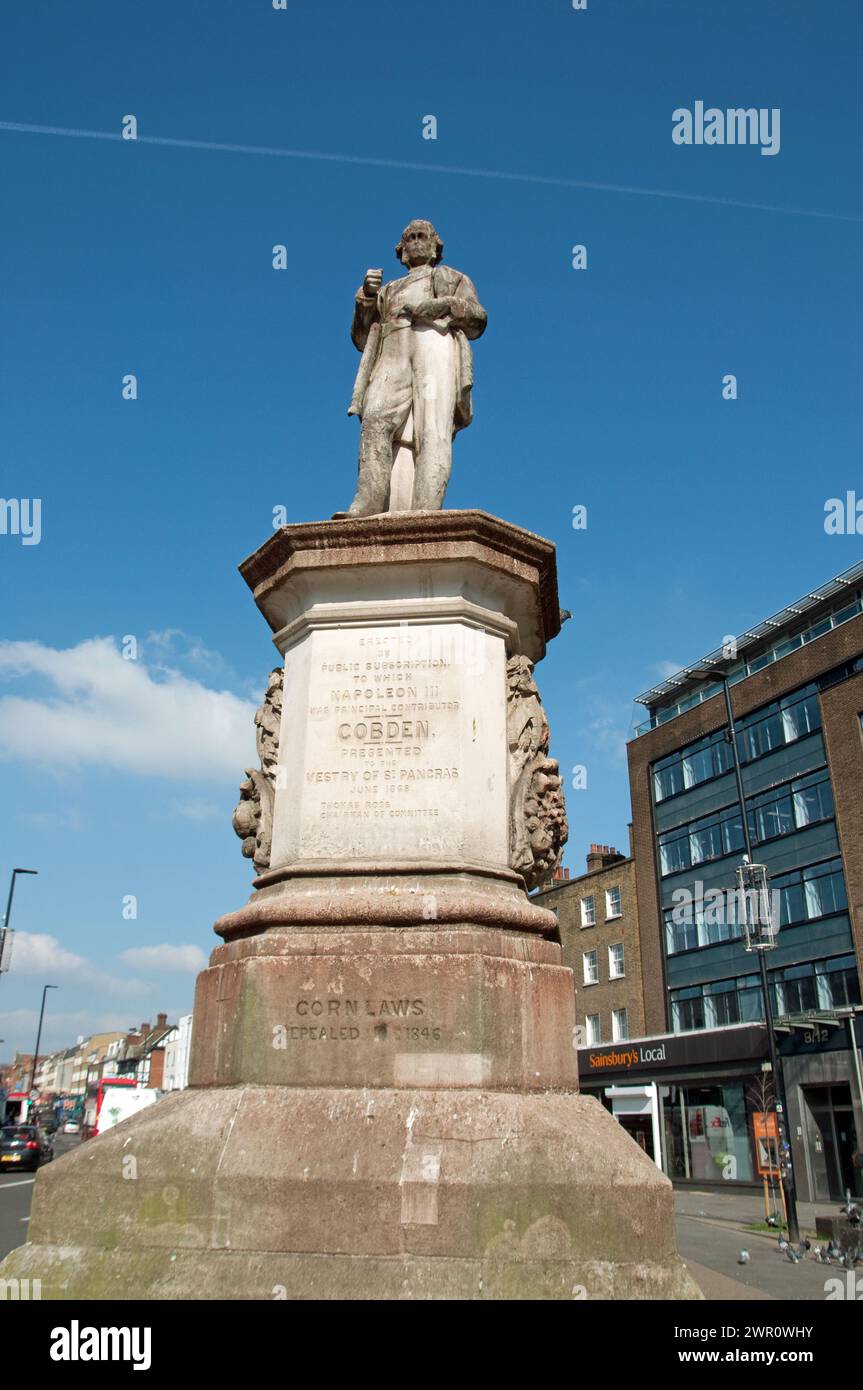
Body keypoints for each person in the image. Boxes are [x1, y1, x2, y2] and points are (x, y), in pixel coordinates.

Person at [346, 219, 487, 514]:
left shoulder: (452, 277)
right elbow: (361, 338)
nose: (416, 241)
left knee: (432, 430)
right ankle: (368, 501)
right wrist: (367, 299)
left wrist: (442, 305)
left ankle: (426, 512)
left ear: (436, 247)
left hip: (433, 343)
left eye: (422, 236)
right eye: (409, 238)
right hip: (392, 349)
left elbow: (477, 319)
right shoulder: (388, 290)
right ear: (402, 251)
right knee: (375, 420)